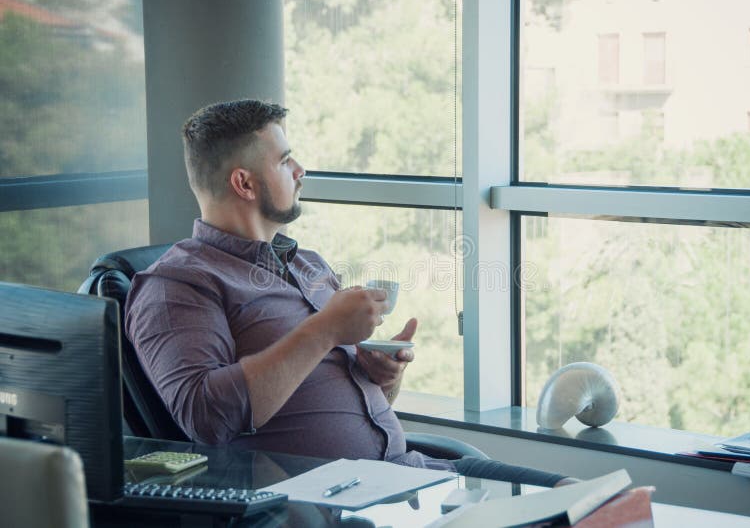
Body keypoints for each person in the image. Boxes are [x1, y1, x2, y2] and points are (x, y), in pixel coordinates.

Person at [125, 99, 576, 487]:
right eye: (285, 161)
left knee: (584, 496)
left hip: (407, 475)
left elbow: (350, 407)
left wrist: (382, 376)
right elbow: (205, 418)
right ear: (243, 183)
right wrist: (323, 331)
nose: (301, 171)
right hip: (326, 500)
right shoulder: (175, 285)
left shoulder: (308, 265)